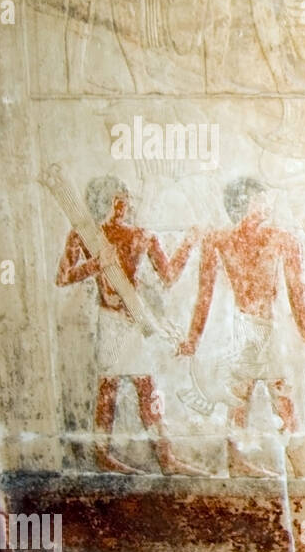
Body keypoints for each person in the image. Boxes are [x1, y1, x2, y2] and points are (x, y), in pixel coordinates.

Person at [178, 177, 305, 477]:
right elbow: (204, 295)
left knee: (270, 390)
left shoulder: (282, 239)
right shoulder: (219, 240)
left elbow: (298, 297)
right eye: (262, 199)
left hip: (264, 327)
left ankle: (294, 457)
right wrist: (192, 339)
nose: (268, 204)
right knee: (247, 391)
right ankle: (245, 458)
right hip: (247, 326)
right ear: (246, 204)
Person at [56, 176, 204, 475]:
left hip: (134, 320)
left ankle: (166, 457)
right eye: (119, 199)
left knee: (146, 387)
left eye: (126, 199)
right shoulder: (83, 235)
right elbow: (62, 277)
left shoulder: (141, 236)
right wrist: (95, 264)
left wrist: (188, 243)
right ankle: (104, 455)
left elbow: (169, 274)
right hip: (109, 320)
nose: (126, 205)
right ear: (108, 202)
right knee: (108, 389)